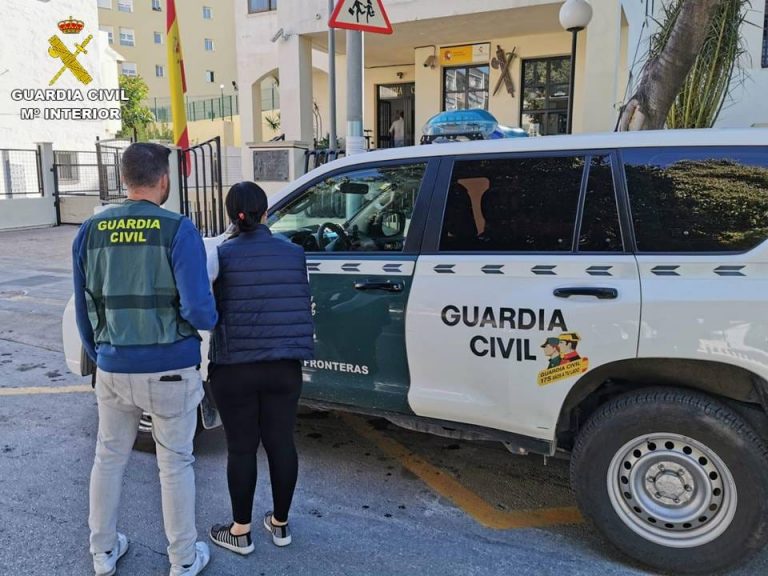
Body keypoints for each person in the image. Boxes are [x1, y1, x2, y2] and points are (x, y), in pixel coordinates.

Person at [72, 143, 217, 576]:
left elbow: (84, 308)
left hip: (113, 366)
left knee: (109, 458)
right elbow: (198, 309)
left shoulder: (91, 230)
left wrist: (102, 355)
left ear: (123, 180)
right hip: (170, 368)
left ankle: (102, 552)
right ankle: (183, 559)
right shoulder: (178, 229)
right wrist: (209, 321)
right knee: (175, 463)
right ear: (164, 180)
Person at [207, 182, 314, 555]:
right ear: (266, 212)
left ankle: (240, 531)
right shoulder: (293, 252)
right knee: (281, 442)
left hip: (234, 367)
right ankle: (280, 525)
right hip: (284, 366)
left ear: (230, 215)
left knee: (241, 449)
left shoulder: (221, 255)